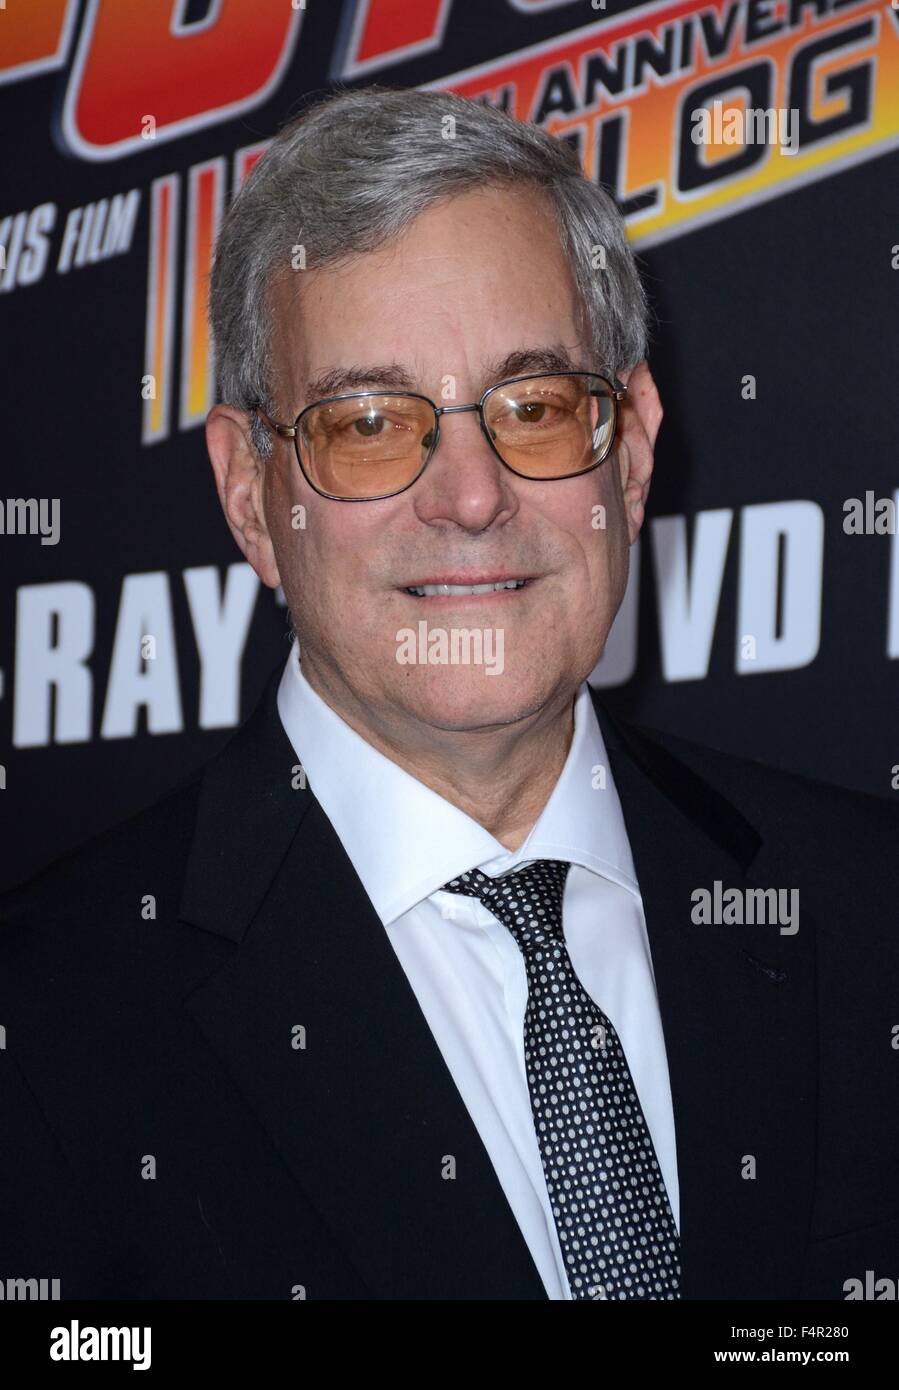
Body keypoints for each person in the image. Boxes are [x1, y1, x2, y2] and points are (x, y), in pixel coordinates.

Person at [1, 86, 897, 1302]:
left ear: (629, 450)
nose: (470, 497)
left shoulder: (864, 906)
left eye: (532, 407)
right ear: (251, 495)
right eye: (368, 423)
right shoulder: (50, 1027)